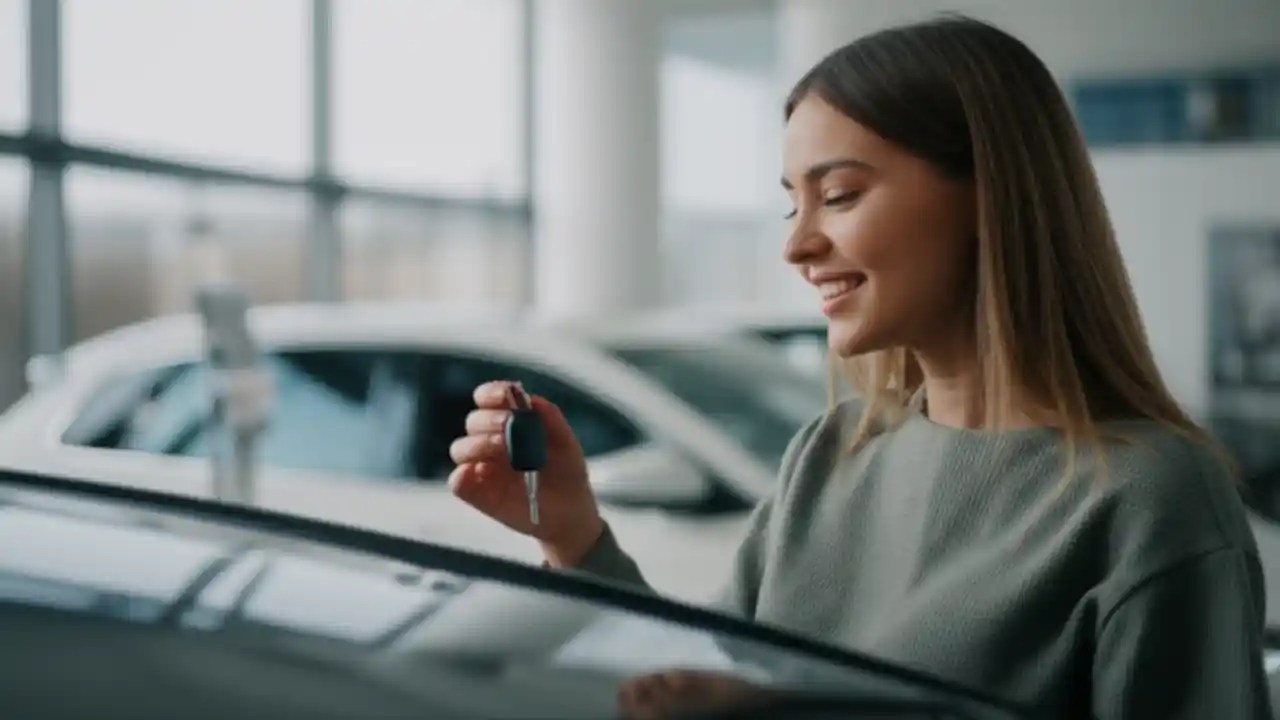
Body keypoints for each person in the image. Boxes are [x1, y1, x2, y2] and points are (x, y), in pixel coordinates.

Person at [448, 14, 1271, 719]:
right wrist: (573, 533)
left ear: (988, 195)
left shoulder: (1152, 500)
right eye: (792, 202)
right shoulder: (830, 454)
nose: (797, 244)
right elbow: (704, 681)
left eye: (838, 195)